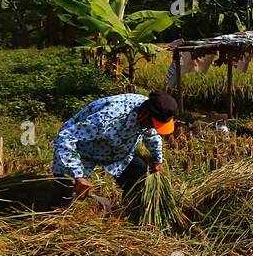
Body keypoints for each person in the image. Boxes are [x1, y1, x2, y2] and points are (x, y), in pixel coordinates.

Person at [50, 90, 178, 216]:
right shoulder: (110, 117)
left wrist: (157, 161)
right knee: (64, 191)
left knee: (139, 177)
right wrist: (78, 176)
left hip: (117, 152)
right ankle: (58, 218)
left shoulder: (149, 113)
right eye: (152, 124)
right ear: (144, 114)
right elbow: (65, 138)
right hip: (82, 148)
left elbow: (152, 136)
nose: (152, 128)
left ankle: (129, 213)